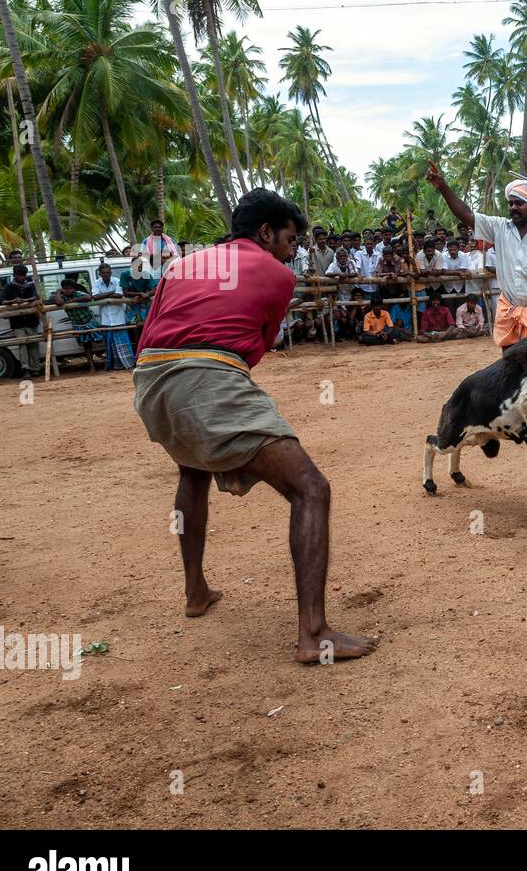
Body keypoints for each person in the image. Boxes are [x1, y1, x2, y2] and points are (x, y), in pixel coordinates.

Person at [132, 188, 376, 663]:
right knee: (310, 487)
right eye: (289, 239)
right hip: (209, 376)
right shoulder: (276, 274)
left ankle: (196, 591)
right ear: (266, 232)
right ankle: (314, 633)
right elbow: (256, 347)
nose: (292, 250)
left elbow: (150, 332)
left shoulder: (183, 264)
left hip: (150, 383)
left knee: (192, 469)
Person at [424, 163, 527, 349]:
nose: (513, 207)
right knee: (510, 364)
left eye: (519, 203)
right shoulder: (499, 228)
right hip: (509, 311)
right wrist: (442, 186)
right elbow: (465, 214)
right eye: (510, 203)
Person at [0, 264, 41, 377]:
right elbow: (2, 301)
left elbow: (36, 297)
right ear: (14, 275)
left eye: (23, 275)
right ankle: (26, 369)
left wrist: (24, 300)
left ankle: (36, 368)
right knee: (22, 345)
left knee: (33, 344)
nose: (21, 277)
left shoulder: (30, 285)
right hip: (17, 322)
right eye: (19, 275)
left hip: (31, 320)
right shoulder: (9, 287)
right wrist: (13, 301)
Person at [91, 262, 134, 371]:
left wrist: (104, 296)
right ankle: (116, 365)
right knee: (111, 345)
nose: (106, 274)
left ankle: (128, 364)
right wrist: (111, 293)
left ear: (111, 272)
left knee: (124, 344)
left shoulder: (117, 281)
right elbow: (95, 296)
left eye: (108, 272)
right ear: (100, 273)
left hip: (118, 318)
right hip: (106, 319)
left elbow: (119, 295)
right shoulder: (96, 283)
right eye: (103, 273)